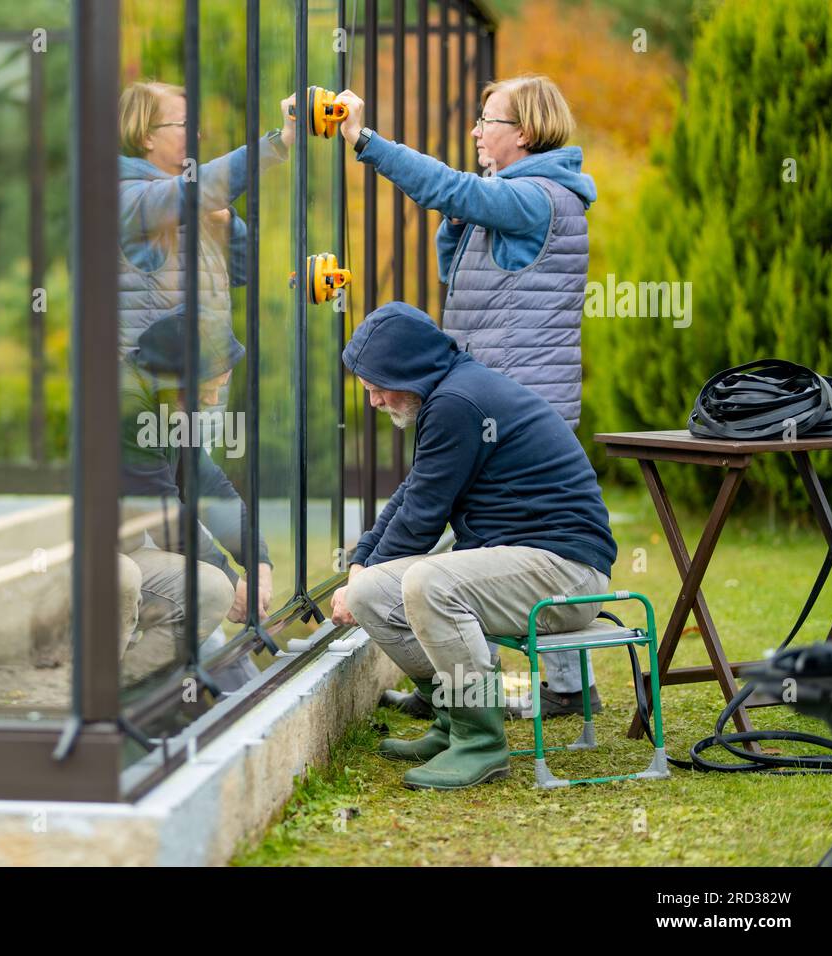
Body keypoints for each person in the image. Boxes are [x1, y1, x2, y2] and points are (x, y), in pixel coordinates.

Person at [334, 75, 604, 718]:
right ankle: (501, 688)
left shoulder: (541, 197)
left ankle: (541, 691)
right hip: (494, 393)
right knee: (493, 539)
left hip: (520, 396)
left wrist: (362, 139)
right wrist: (455, 223)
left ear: (528, 132)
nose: (478, 132)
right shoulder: (514, 200)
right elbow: (456, 265)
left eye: (491, 121)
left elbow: (450, 189)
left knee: (521, 541)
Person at [329, 303, 616, 791]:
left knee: (428, 581)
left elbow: (420, 521)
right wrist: (361, 563)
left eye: (376, 385)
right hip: (526, 565)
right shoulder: (452, 395)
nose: (373, 400)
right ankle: (451, 719)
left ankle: (480, 743)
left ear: (409, 370)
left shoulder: (458, 403)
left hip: (567, 572)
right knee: (369, 594)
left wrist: (371, 562)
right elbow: (413, 492)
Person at [119, 310, 273, 694]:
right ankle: (122, 698)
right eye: (207, 388)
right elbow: (164, 517)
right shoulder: (129, 407)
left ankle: (149, 698)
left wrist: (257, 559)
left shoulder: (165, 401)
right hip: (75, 560)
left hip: (123, 551)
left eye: (220, 387)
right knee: (212, 589)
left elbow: (208, 485)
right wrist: (235, 582)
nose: (213, 399)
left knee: (209, 592)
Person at [118, 80, 296, 354]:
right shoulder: (129, 197)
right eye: (185, 125)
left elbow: (244, 272)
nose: (197, 135)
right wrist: (279, 142)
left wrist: (228, 223)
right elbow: (200, 188)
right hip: (154, 389)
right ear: (146, 136)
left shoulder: (190, 201)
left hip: (201, 387)